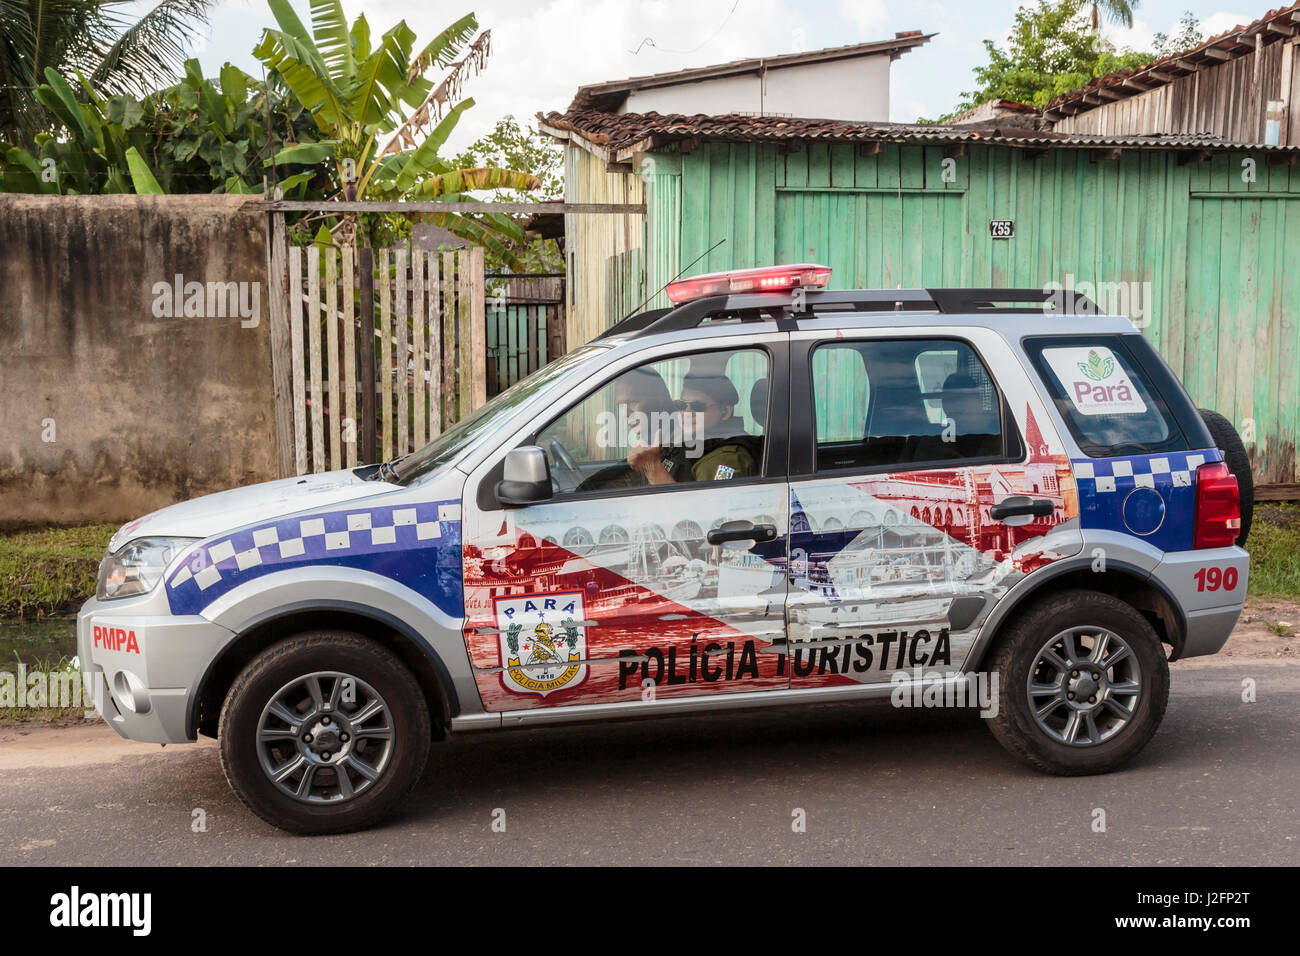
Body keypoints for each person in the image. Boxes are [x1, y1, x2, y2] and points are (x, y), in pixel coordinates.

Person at [627, 371, 760, 484]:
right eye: (682, 405)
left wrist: (652, 469)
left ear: (725, 411)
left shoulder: (726, 459)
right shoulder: (689, 443)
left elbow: (703, 513)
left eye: (698, 406)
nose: (687, 413)